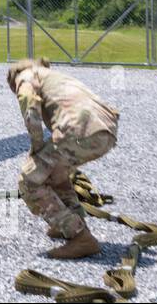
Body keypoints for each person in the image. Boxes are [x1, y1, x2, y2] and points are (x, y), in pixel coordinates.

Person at [7, 58, 118, 259]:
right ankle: (70, 223)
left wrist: (36, 148)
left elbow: (31, 112)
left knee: (30, 181)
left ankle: (81, 238)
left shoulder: (25, 77)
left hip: (78, 132)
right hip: (105, 132)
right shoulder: (53, 76)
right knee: (56, 175)